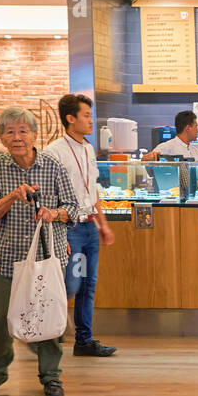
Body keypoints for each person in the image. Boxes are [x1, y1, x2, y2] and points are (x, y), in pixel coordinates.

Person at [0, 107, 79, 396]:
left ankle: (50, 376)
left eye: (23, 131)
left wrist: (54, 213)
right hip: (9, 258)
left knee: (47, 314)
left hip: (49, 256)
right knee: (0, 318)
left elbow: (73, 208)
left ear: (35, 135)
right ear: (1, 137)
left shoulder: (53, 165)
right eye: (9, 132)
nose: (17, 137)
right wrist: (11, 196)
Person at [43, 93, 117, 358]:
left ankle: (84, 341)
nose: (91, 120)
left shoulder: (88, 149)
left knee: (88, 285)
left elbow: (93, 190)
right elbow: (50, 196)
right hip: (69, 228)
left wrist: (103, 225)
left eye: (90, 115)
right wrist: (59, 233)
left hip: (89, 228)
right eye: (86, 115)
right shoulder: (53, 152)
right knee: (69, 284)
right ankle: (43, 334)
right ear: (70, 118)